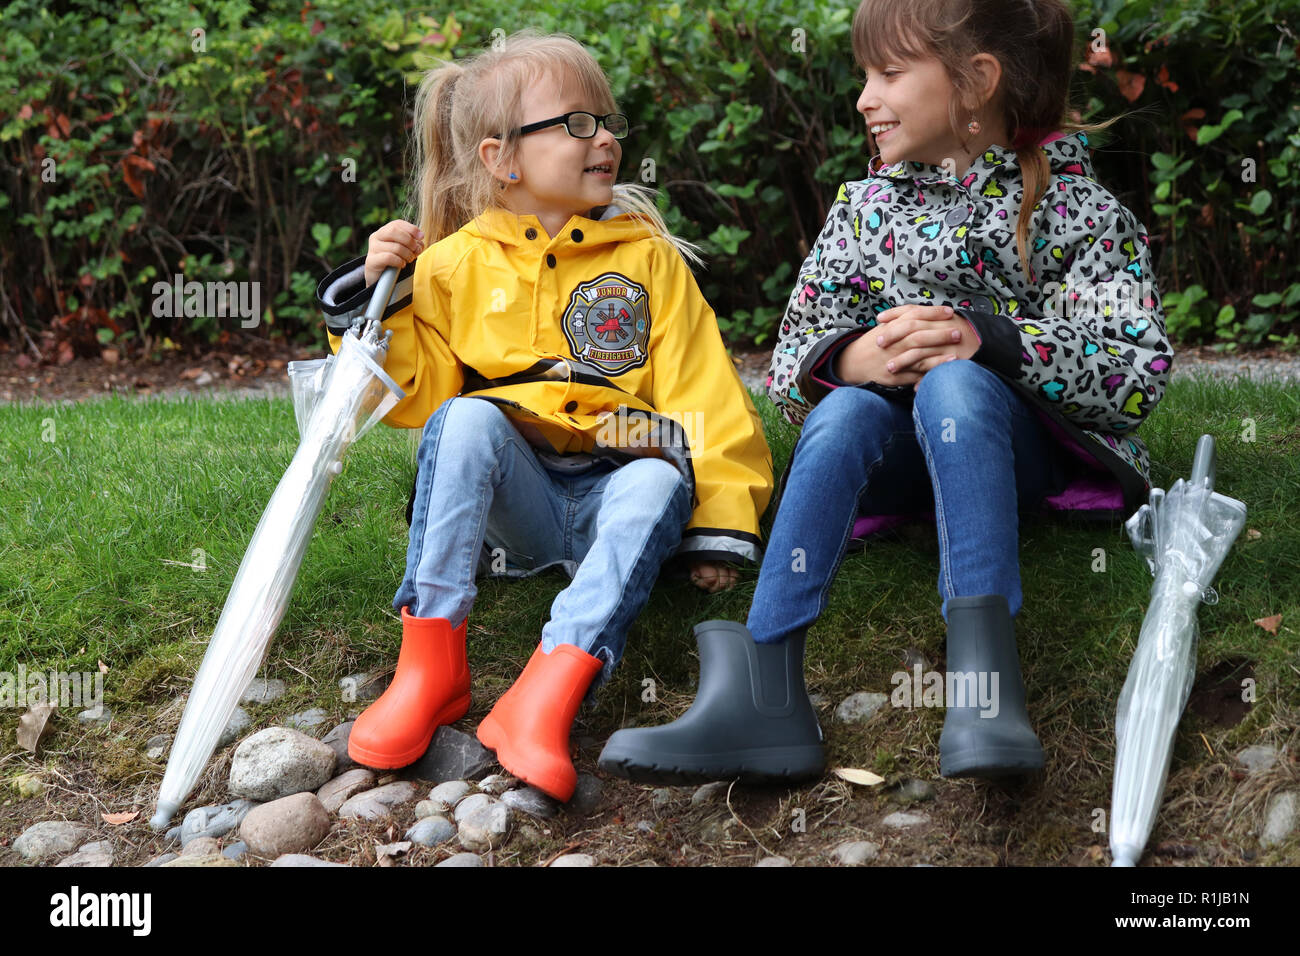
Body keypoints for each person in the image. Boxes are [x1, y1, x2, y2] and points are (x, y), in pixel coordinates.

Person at [598, 0, 1172, 783]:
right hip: (897, 455)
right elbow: (791, 364)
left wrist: (994, 340)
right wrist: (855, 358)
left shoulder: (1079, 211)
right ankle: (766, 692)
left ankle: (984, 686)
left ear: (976, 81)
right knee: (841, 412)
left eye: (890, 73)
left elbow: (1136, 374)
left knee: (959, 388)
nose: (865, 97)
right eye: (865, 73)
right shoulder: (862, 212)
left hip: (1019, 452)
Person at [315, 32, 772, 801]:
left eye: (608, 121)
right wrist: (374, 293)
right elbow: (409, 395)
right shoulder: (452, 264)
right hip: (518, 507)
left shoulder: (648, 260)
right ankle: (430, 669)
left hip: (616, 495)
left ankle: (544, 697)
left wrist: (719, 524)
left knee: (661, 474)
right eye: (577, 123)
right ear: (502, 158)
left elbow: (705, 397)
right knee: (463, 420)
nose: (606, 140)